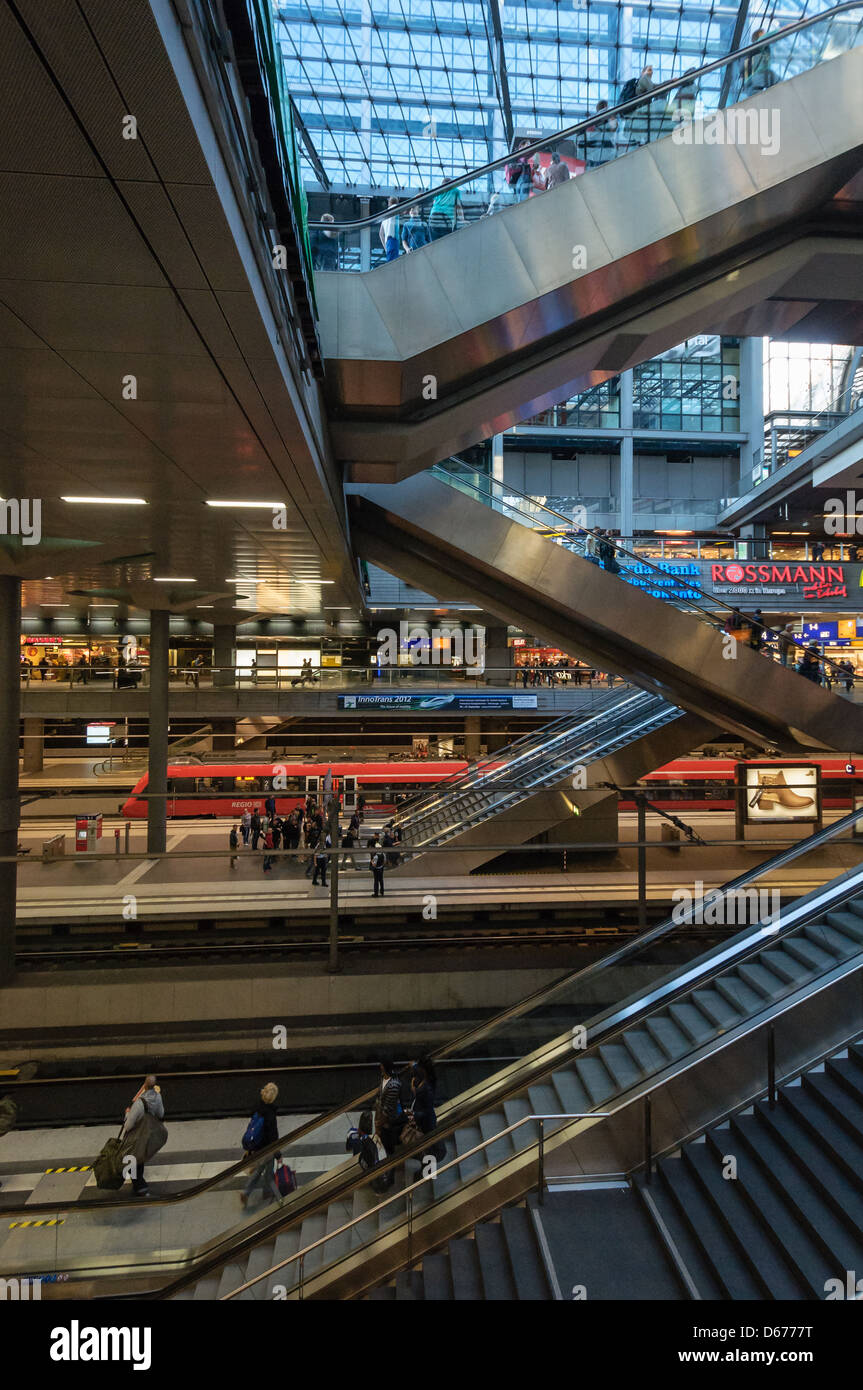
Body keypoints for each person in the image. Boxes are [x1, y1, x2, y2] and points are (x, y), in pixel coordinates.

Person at [119, 1075, 166, 1196]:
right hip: (149, 1134)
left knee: (130, 1158)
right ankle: (138, 1184)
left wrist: (127, 1114)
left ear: (144, 1085)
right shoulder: (158, 1097)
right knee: (140, 1157)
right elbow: (161, 1114)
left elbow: (128, 1126)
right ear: (154, 1086)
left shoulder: (139, 1103)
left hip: (137, 1135)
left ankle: (140, 1187)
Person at [240, 1083, 280, 1208]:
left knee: (265, 1169)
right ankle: (247, 1193)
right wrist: (278, 1153)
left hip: (256, 1145)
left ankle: (266, 1192)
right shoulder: (270, 1114)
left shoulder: (257, 1107)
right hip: (267, 1148)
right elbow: (273, 1135)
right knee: (262, 1170)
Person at [374, 1059, 406, 1186]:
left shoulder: (394, 1085)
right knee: (388, 1147)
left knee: (389, 1150)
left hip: (390, 1122)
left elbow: (387, 1109)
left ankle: (391, 1176)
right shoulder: (383, 1078)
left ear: (384, 1067)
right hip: (384, 1120)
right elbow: (380, 1098)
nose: (380, 1067)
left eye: (381, 1065)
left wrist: (378, 1125)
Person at [739, 29, 775, 97]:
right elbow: (773, 34)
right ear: (759, 35)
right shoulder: (759, 44)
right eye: (764, 33)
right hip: (757, 78)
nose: (765, 34)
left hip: (751, 82)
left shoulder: (753, 51)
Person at [584, 100, 618, 168]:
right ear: (605, 106)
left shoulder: (591, 119)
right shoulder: (608, 114)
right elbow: (614, 127)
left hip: (593, 152)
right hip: (605, 146)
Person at [379, 197, 400, 262]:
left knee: (390, 262)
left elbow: (381, 234)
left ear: (389, 203)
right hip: (393, 240)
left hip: (388, 242)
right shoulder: (395, 208)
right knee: (393, 264)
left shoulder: (385, 215)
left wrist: (385, 248)